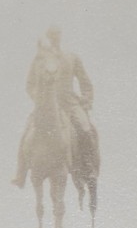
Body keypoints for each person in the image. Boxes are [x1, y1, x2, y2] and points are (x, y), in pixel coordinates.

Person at [12, 25, 96, 188]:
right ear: (49, 37)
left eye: (58, 34)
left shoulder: (72, 58)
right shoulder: (41, 59)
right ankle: (20, 174)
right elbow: (30, 84)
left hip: (70, 104)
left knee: (85, 129)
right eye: (52, 35)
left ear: (61, 36)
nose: (55, 37)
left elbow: (86, 82)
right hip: (46, 107)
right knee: (26, 133)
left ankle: (88, 166)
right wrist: (39, 99)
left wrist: (86, 100)